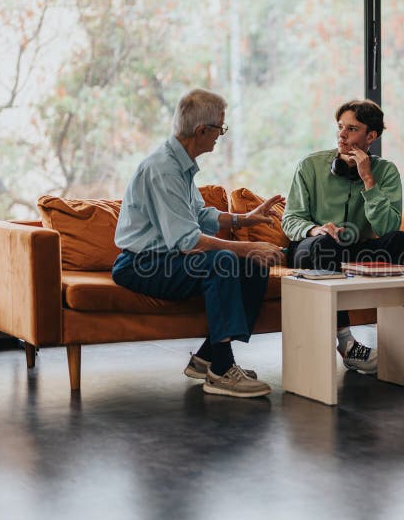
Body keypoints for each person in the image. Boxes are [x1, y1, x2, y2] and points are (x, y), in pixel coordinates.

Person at [112, 88, 285, 398]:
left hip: (165, 259)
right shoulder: (162, 169)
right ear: (202, 131)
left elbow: (199, 215)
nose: (221, 135)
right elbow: (188, 240)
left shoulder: (180, 164)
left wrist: (241, 221)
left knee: (253, 265)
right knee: (224, 260)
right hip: (141, 264)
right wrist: (248, 246)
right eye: (221, 128)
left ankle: (207, 359)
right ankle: (221, 371)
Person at [282, 99, 404, 375]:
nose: (342, 135)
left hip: (356, 250)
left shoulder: (385, 172)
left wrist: (368, 180)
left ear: (371, 136)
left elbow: (388, 226)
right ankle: (347, 344)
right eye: (340, 127)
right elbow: (290, 219)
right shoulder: (310, 166)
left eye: (352, 129)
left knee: (402, 241)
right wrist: (315, 229)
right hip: (315, 248)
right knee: (325, 244)